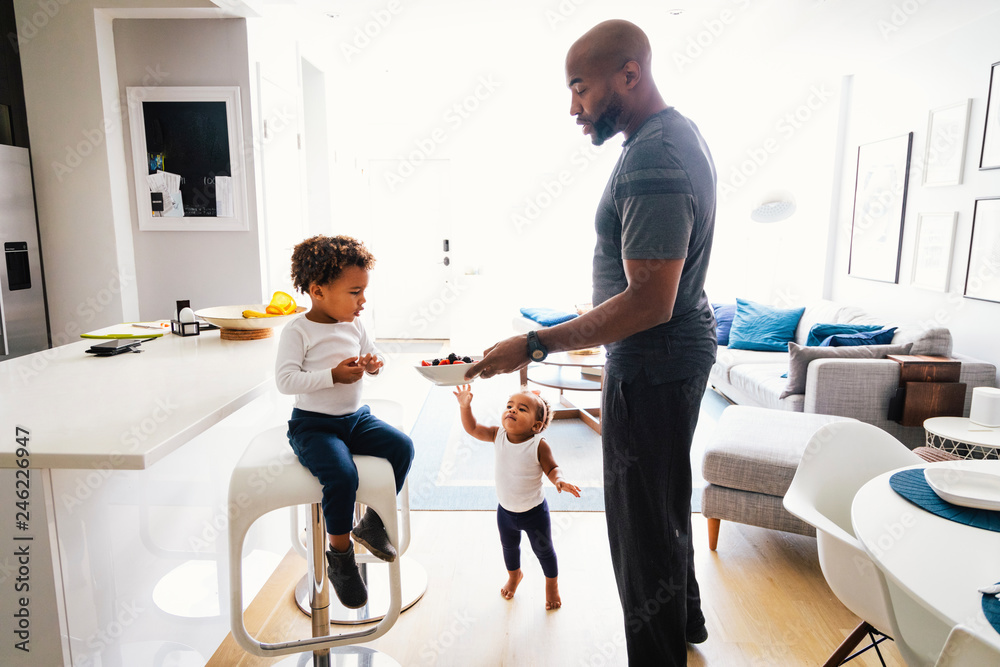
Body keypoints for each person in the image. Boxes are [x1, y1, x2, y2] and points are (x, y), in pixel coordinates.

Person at [466, 19, 717, 665]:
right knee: (663, 502)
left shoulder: (655, 155)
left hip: (654, 362)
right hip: (673, 352)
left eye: (580, 87)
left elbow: (649, 299)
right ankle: (684, 625)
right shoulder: (671, 137)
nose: (572, 106)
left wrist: (533, 343)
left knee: (640, 527)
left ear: (628, 74)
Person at [276, 234, 414, 609]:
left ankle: (371, 524)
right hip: (314, 425)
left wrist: (373, 364)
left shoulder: (354, 325)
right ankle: (339, 556)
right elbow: (285, 382)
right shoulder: (298, 331)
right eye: (355, 292)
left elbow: (372, 356)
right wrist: (331, 376)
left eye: (363, 291)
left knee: (402, 446)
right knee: (341, 475)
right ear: (318, 291)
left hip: (354, 419)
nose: (362, 301)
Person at [453, 383, 581, 610]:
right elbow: (472, 428)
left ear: (536, 425)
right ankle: (515, 576)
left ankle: (552, 585)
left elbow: (552, 468)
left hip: (534, 513)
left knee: (544, 551)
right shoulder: (497, 434)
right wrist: (465, 406)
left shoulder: (538, 445)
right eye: (509, 406)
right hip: (505, 511)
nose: (512, 410)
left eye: (522, 409)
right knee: (509, 548)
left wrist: (559, 480)